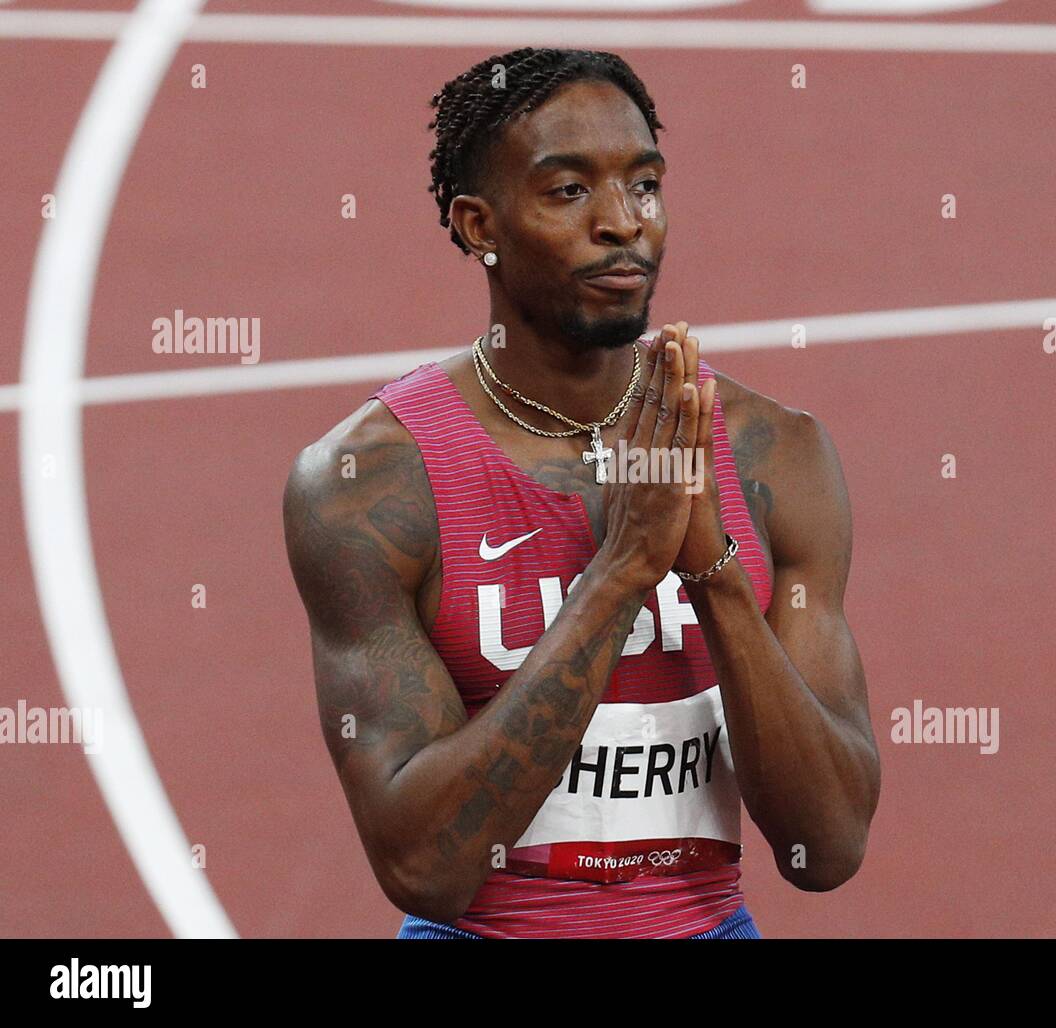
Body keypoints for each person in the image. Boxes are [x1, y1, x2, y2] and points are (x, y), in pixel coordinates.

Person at [282, 47, 880, 939]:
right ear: (479, 225)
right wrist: (625, 570)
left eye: (644, 185)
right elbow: (426, 867)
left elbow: (824, 849)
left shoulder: (777, 456)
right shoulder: (367, 484)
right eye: (568, 192)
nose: (622, 224)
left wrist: (712, 572)